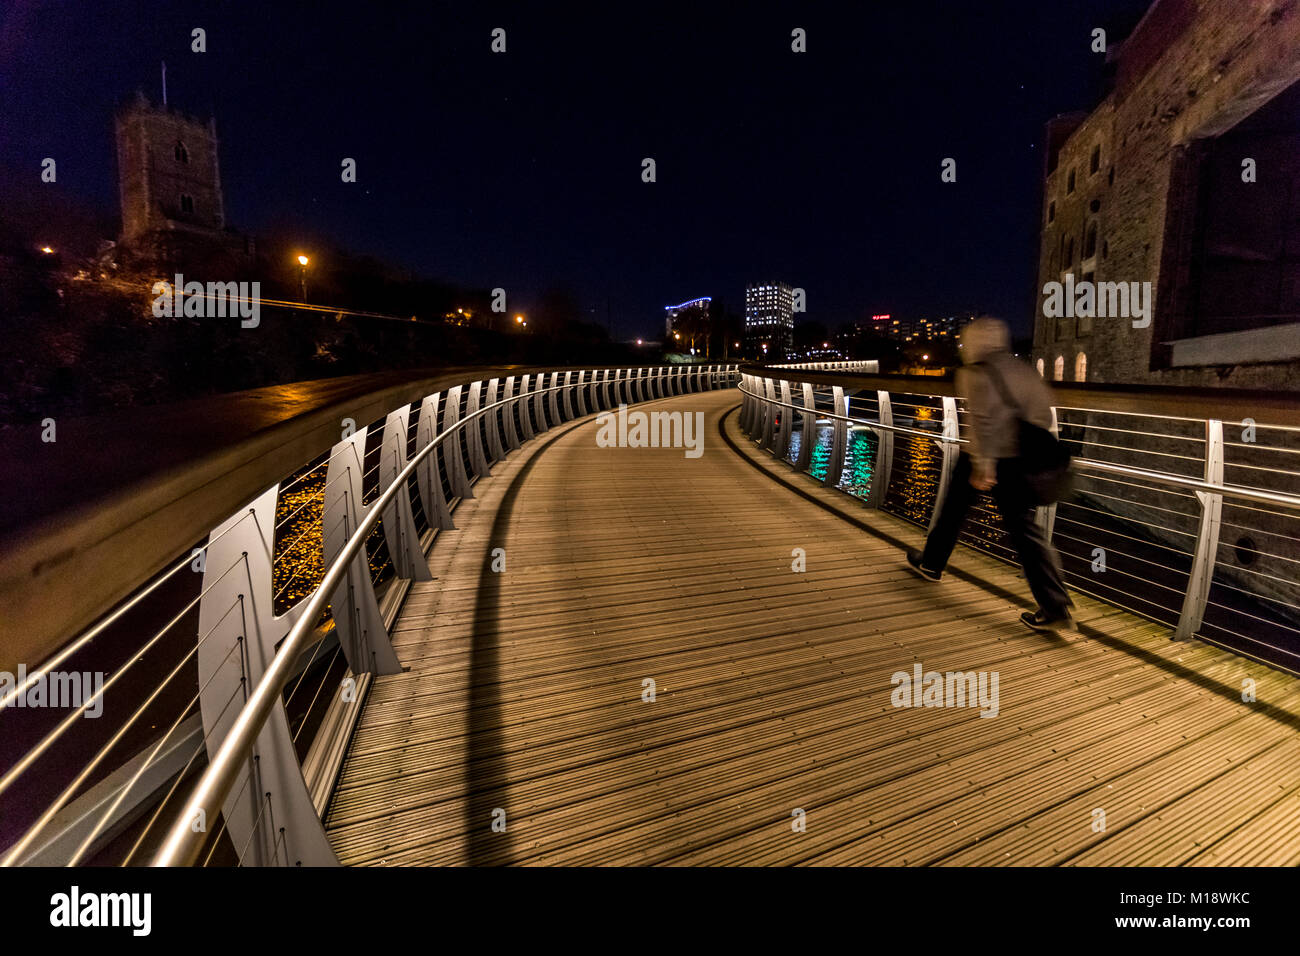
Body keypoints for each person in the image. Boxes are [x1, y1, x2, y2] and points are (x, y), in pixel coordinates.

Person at [905, 316, 1074, 632]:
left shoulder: (974, 373)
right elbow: (1041, 413)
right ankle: (1055, 605)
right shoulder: (1022, 369)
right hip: (1020, 459)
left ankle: (932, 563)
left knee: (953, 510)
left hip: (986, 458)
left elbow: (982, 423)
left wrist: (984, 467)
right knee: (1025, 532)